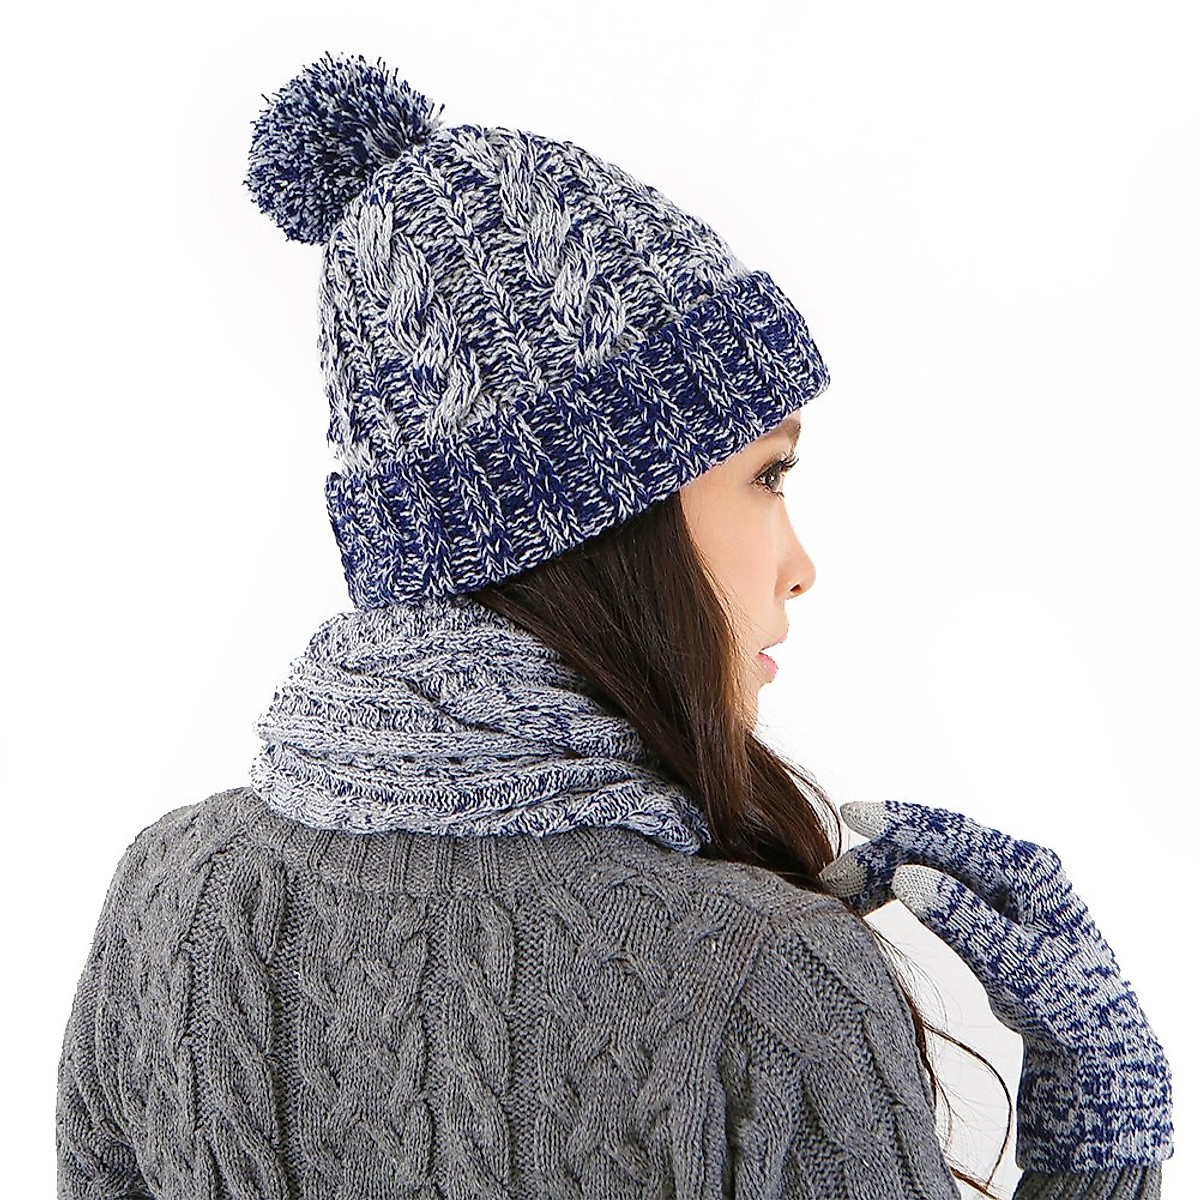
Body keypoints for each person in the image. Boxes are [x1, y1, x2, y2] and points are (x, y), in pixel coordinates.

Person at [55, 52, 1172, 1200]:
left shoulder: (172, 896)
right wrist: (1106, 1132)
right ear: (608, 521)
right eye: (767, 477)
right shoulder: (774, 985)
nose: (799, 568)